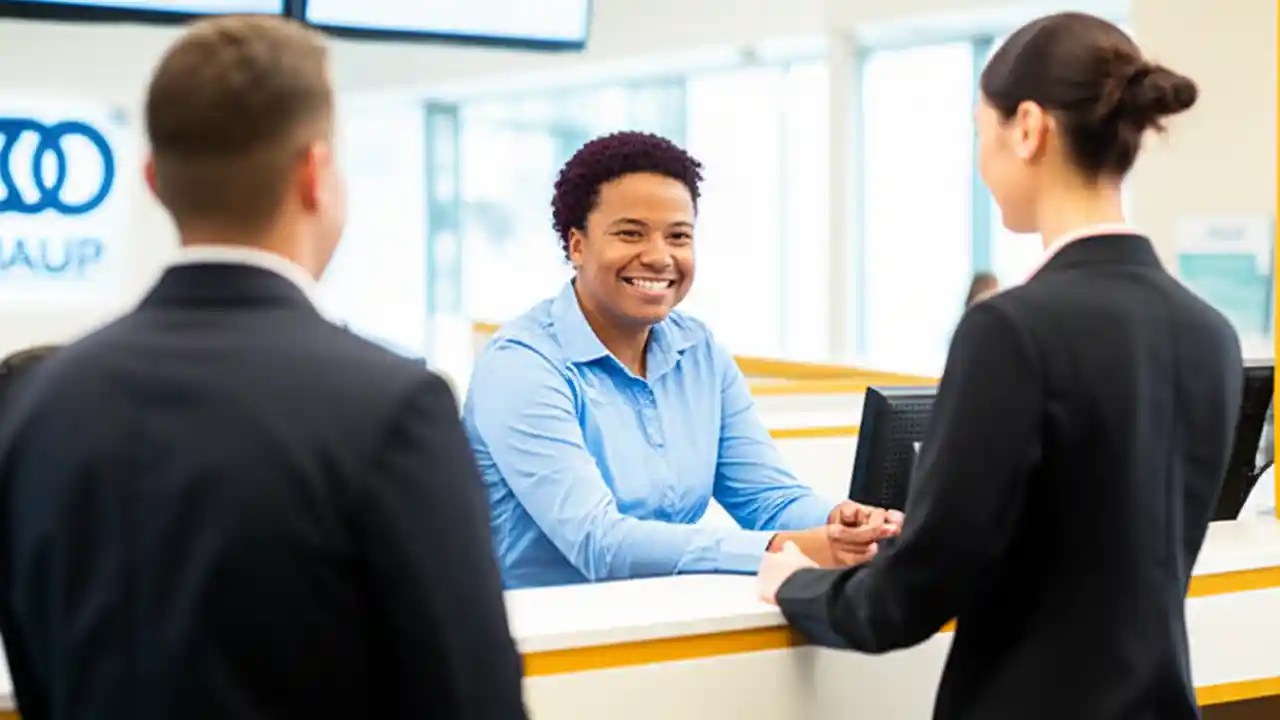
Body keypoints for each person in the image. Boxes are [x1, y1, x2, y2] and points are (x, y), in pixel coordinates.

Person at [0, 17, 525, 720]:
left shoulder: (38, 405)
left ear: (155, 181)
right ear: (315, 174)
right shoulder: (392, 408)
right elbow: (471, 700)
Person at [759, 12, 1242, 720]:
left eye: (979, 132)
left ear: (1027, 128)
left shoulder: (1009, 330)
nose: (980, 162)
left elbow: (912, 595)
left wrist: (796, 584)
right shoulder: (1210, 332)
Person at [462, 131, 901, 589]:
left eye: (678, 236)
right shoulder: (522, 366)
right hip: (553, 643)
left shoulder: (698, 351)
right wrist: (776, 548)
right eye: (630, 233)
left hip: (672, 622)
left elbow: (767, 498)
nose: (658, 257)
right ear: (576, 245)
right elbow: (599, 543)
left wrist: (845, 524)